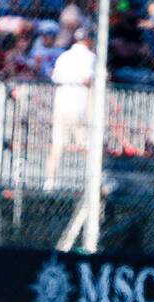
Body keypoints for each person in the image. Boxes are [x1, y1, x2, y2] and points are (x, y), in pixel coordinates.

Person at [46, 28, 97, 188]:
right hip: (80, 106)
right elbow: (88, 79)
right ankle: (93, 182)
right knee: (90, 145)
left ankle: (50, 181)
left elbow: (55, 76)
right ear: (88, 40)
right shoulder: (90, 57)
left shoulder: (64, 56)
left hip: (61, 105)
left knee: (57, 144)